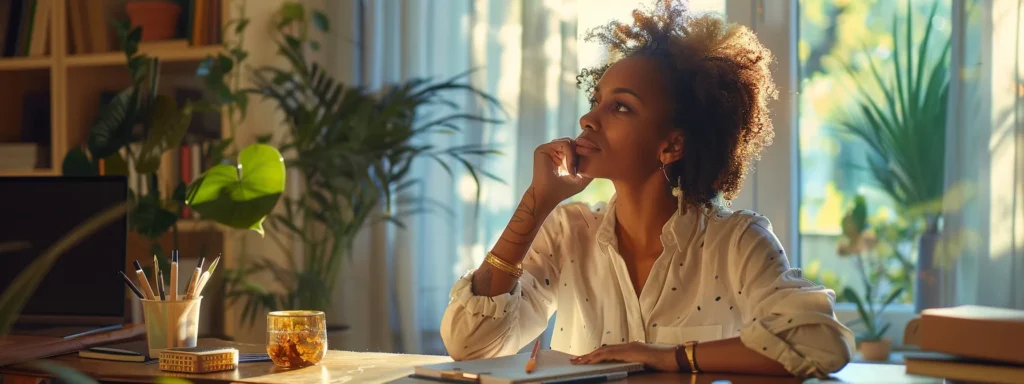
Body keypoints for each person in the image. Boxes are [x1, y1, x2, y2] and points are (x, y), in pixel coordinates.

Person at [440, 0, 854, 378]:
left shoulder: (737, 243)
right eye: (596, 100)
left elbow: (821, 342)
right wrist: (537, 202)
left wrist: (671, 357)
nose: (588, 119)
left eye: (620, 106)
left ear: (672, 145)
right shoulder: (567, 232)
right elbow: (470, 345)